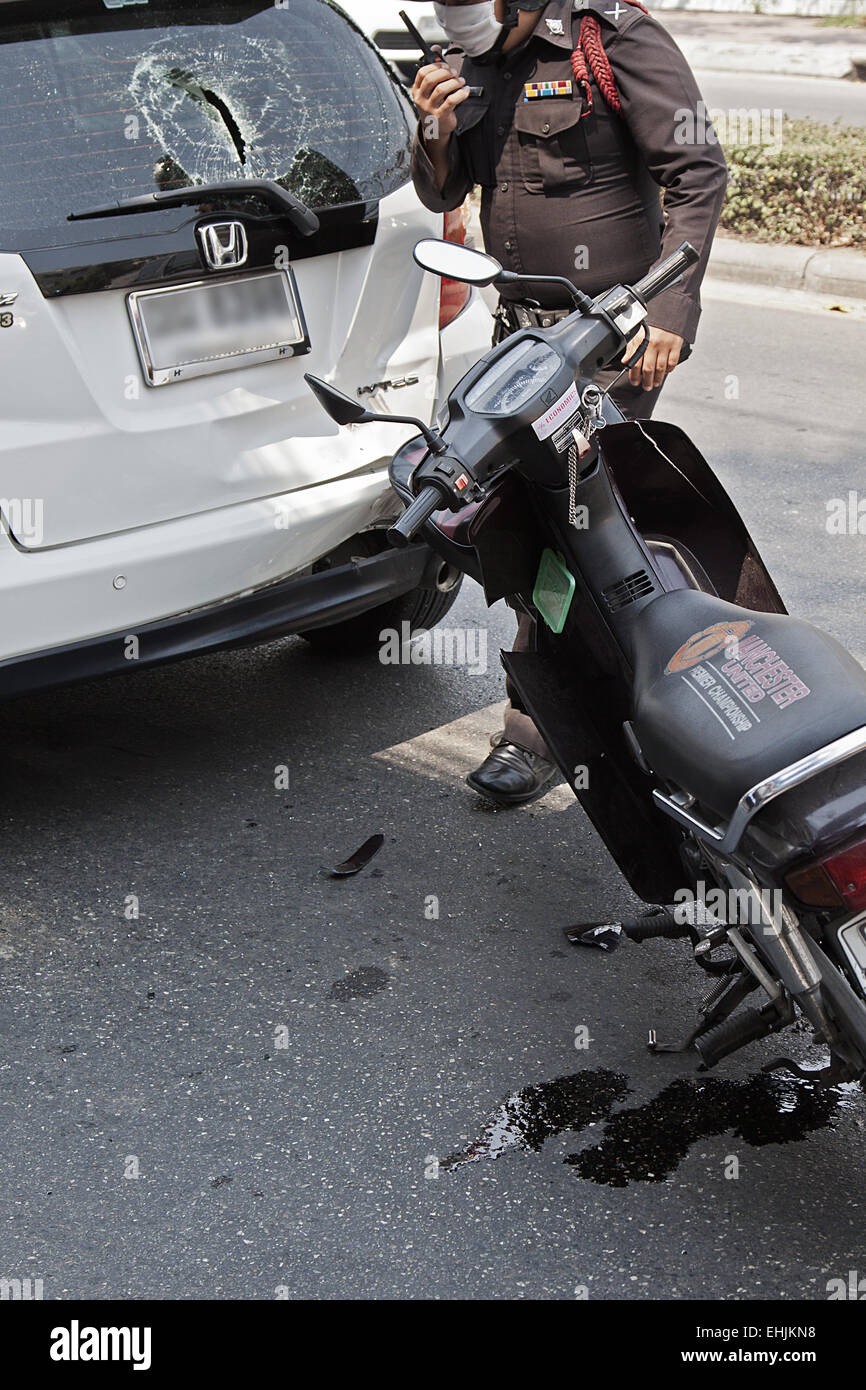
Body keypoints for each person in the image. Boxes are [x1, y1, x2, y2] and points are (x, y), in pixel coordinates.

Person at [410, 0, 728, 805]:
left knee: (586, 538)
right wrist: (435, 134)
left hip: (609, 345)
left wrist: (667, 313)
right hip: (521, 346)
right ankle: (600, 715)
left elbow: (698, 172)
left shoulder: (608, 34)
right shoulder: (467, 57)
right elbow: (442, 188)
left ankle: (556, 729)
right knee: (525, 532)